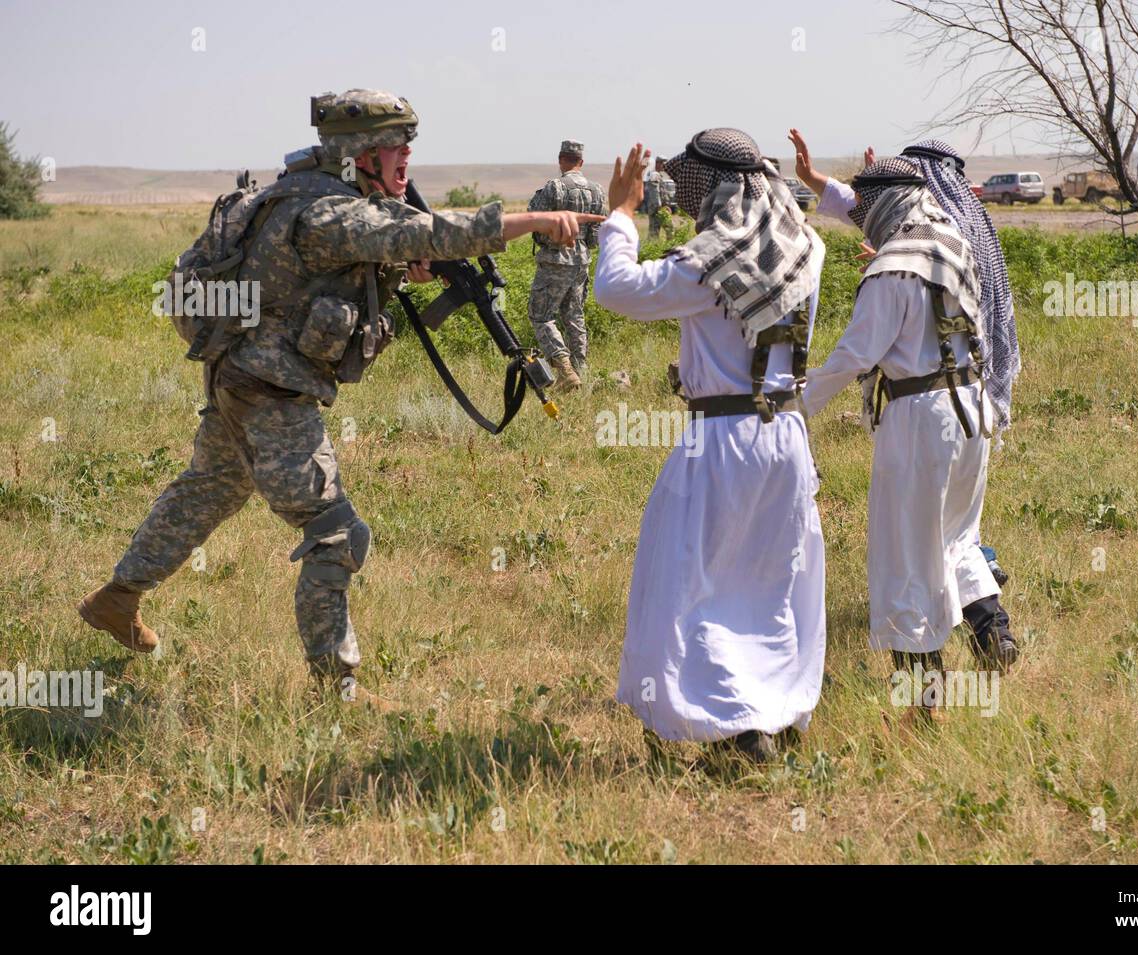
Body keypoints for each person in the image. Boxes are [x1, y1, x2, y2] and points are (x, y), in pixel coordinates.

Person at [76, 90, 601, 706]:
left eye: (408, 144)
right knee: (336, 535)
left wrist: (400, 270)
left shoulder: (313, 196)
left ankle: (117, 599)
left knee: (208, 490)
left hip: (240, 377)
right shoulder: (330, 212)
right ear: (358, 155)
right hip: (271, 392)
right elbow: (433, 229)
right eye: (392, 146)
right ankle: (336, 688)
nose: (406, 156)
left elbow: (337, 267)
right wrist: (533, 222)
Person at [594, 132, 827, 763]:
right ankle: (768, 713)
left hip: (721, 440)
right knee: (766, 581)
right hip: (785, 438)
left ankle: (730, 725)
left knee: (691, 581)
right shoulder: (810, 249)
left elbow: (615, 289)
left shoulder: (707, 267)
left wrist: (620, 215)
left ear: (712, 187)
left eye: (690, 183)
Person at [790, 129, 1018, 668]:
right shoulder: (954, 243)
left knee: (905, 562)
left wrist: (795, 406)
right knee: (957, 539)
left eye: (866, 202)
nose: (861, 212)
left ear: (888, 202)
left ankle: (923, 697)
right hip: (972, 413)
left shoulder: (893, 265)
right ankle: (993, 639)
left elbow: (853, 356)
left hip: (921, 421)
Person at [527, 140, 608, 390]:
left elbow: (535, 219)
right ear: (581, 162)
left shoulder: (554, 187)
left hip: (555, 259)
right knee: (574, 315)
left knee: (540, 315)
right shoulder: (597, 190)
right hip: (582, 260)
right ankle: (580, 369)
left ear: (561, 160)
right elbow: (597, 234)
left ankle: (564, 368)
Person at [644, 156, 676, 240]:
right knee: (670, 228)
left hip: (657, 208)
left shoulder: (657, 175)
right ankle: (669, 248)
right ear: (658, 163)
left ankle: (651, 249)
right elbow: (655, 193)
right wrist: (660, 207)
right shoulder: (655, 175)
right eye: (663, 163)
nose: (665, 165)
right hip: (658, 208)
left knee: (654, 232)